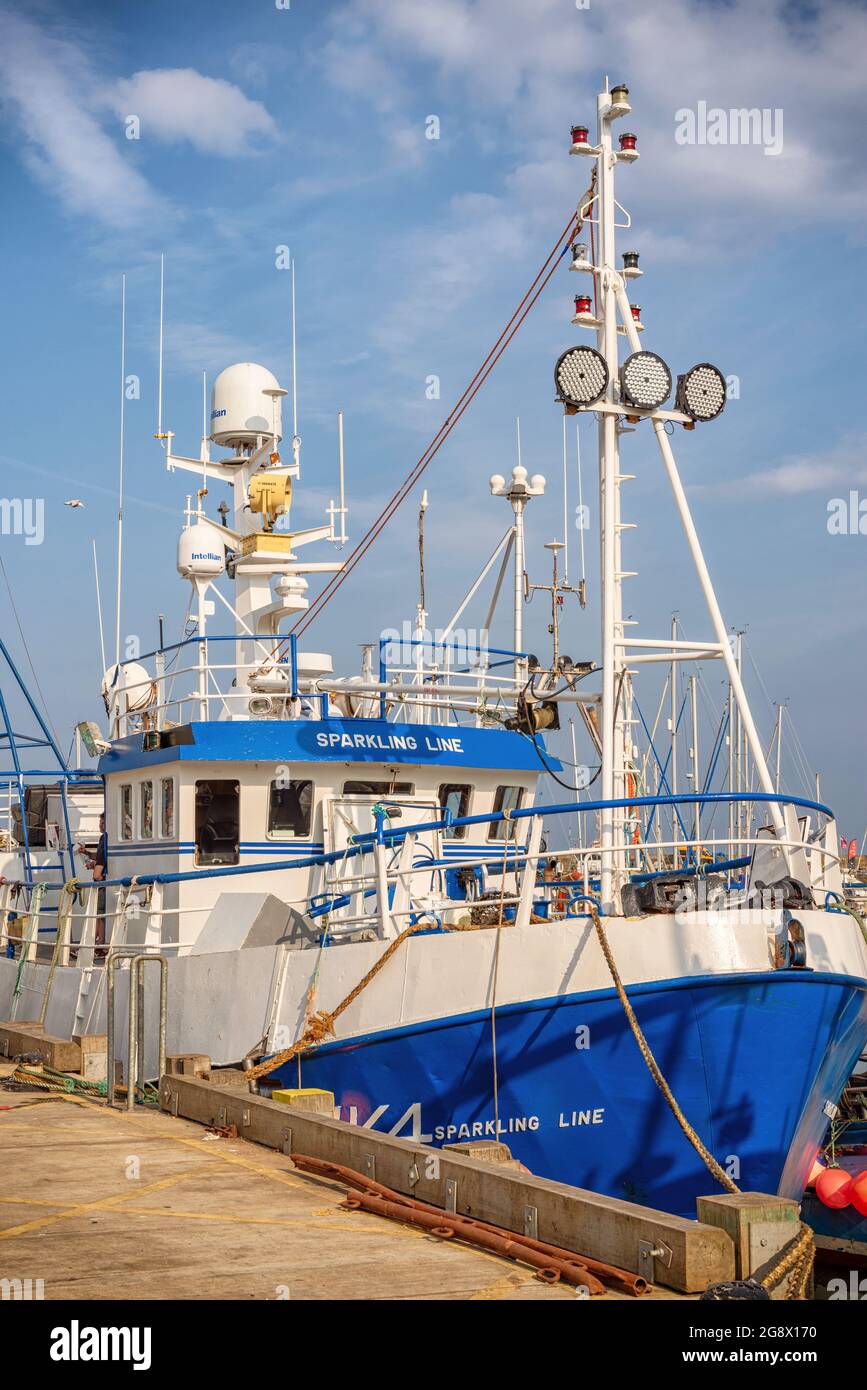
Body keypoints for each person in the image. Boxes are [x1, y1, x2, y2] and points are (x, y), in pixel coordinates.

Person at [77, 814, 107, 951]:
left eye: (103, 823)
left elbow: (101, 860)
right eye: (100, 823)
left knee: (99, 914)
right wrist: (87, 853)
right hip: (103, 879)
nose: (100, 825)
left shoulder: (105, 839)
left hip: (102, 880)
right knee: (99, 913)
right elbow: (100, 857)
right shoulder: (104, 838)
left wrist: (98, 874)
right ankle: (96, 944)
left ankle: (97, 945)